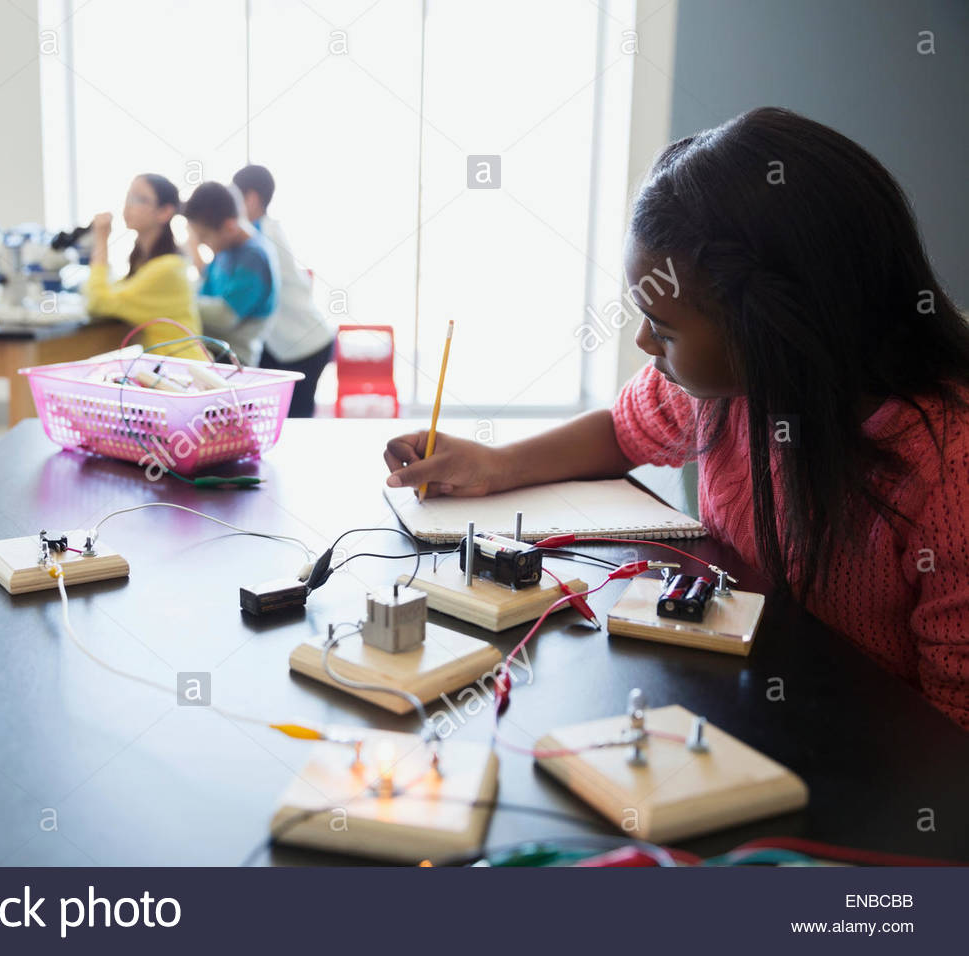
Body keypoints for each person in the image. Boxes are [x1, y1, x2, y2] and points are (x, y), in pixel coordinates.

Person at [383, 108, 969, 729]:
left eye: (663, 329)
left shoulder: (947, 467)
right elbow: (619, 430)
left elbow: (952, 733)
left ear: (775, 328)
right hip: (753, 701)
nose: (642, 341)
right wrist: (494, 464)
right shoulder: (727, 386)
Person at [232, 164, 335, 417]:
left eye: (234, 198)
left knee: (295, 420)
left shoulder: (264, 237)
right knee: (263, 408)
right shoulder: (260, 231)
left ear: (252, 199)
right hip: (283, 343)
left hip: (306, 346)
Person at [85, 173, 203, 361]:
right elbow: (110, 293)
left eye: (139, 199)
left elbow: (98, 301)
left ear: (165, 212)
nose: (128, 206)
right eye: (128, 197)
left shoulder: (167, 269)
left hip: (185, 374)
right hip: (170, 372)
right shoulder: (147, 264)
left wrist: (101, 240)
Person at [182, 181, 277, 366]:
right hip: (211, 347)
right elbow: (203, 291)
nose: (200, 244)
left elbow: (225, 315)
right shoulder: (224, 249)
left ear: (229, 227)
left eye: (203, 237)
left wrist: (178, 300)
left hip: (235, 358)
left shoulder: (254, 257)